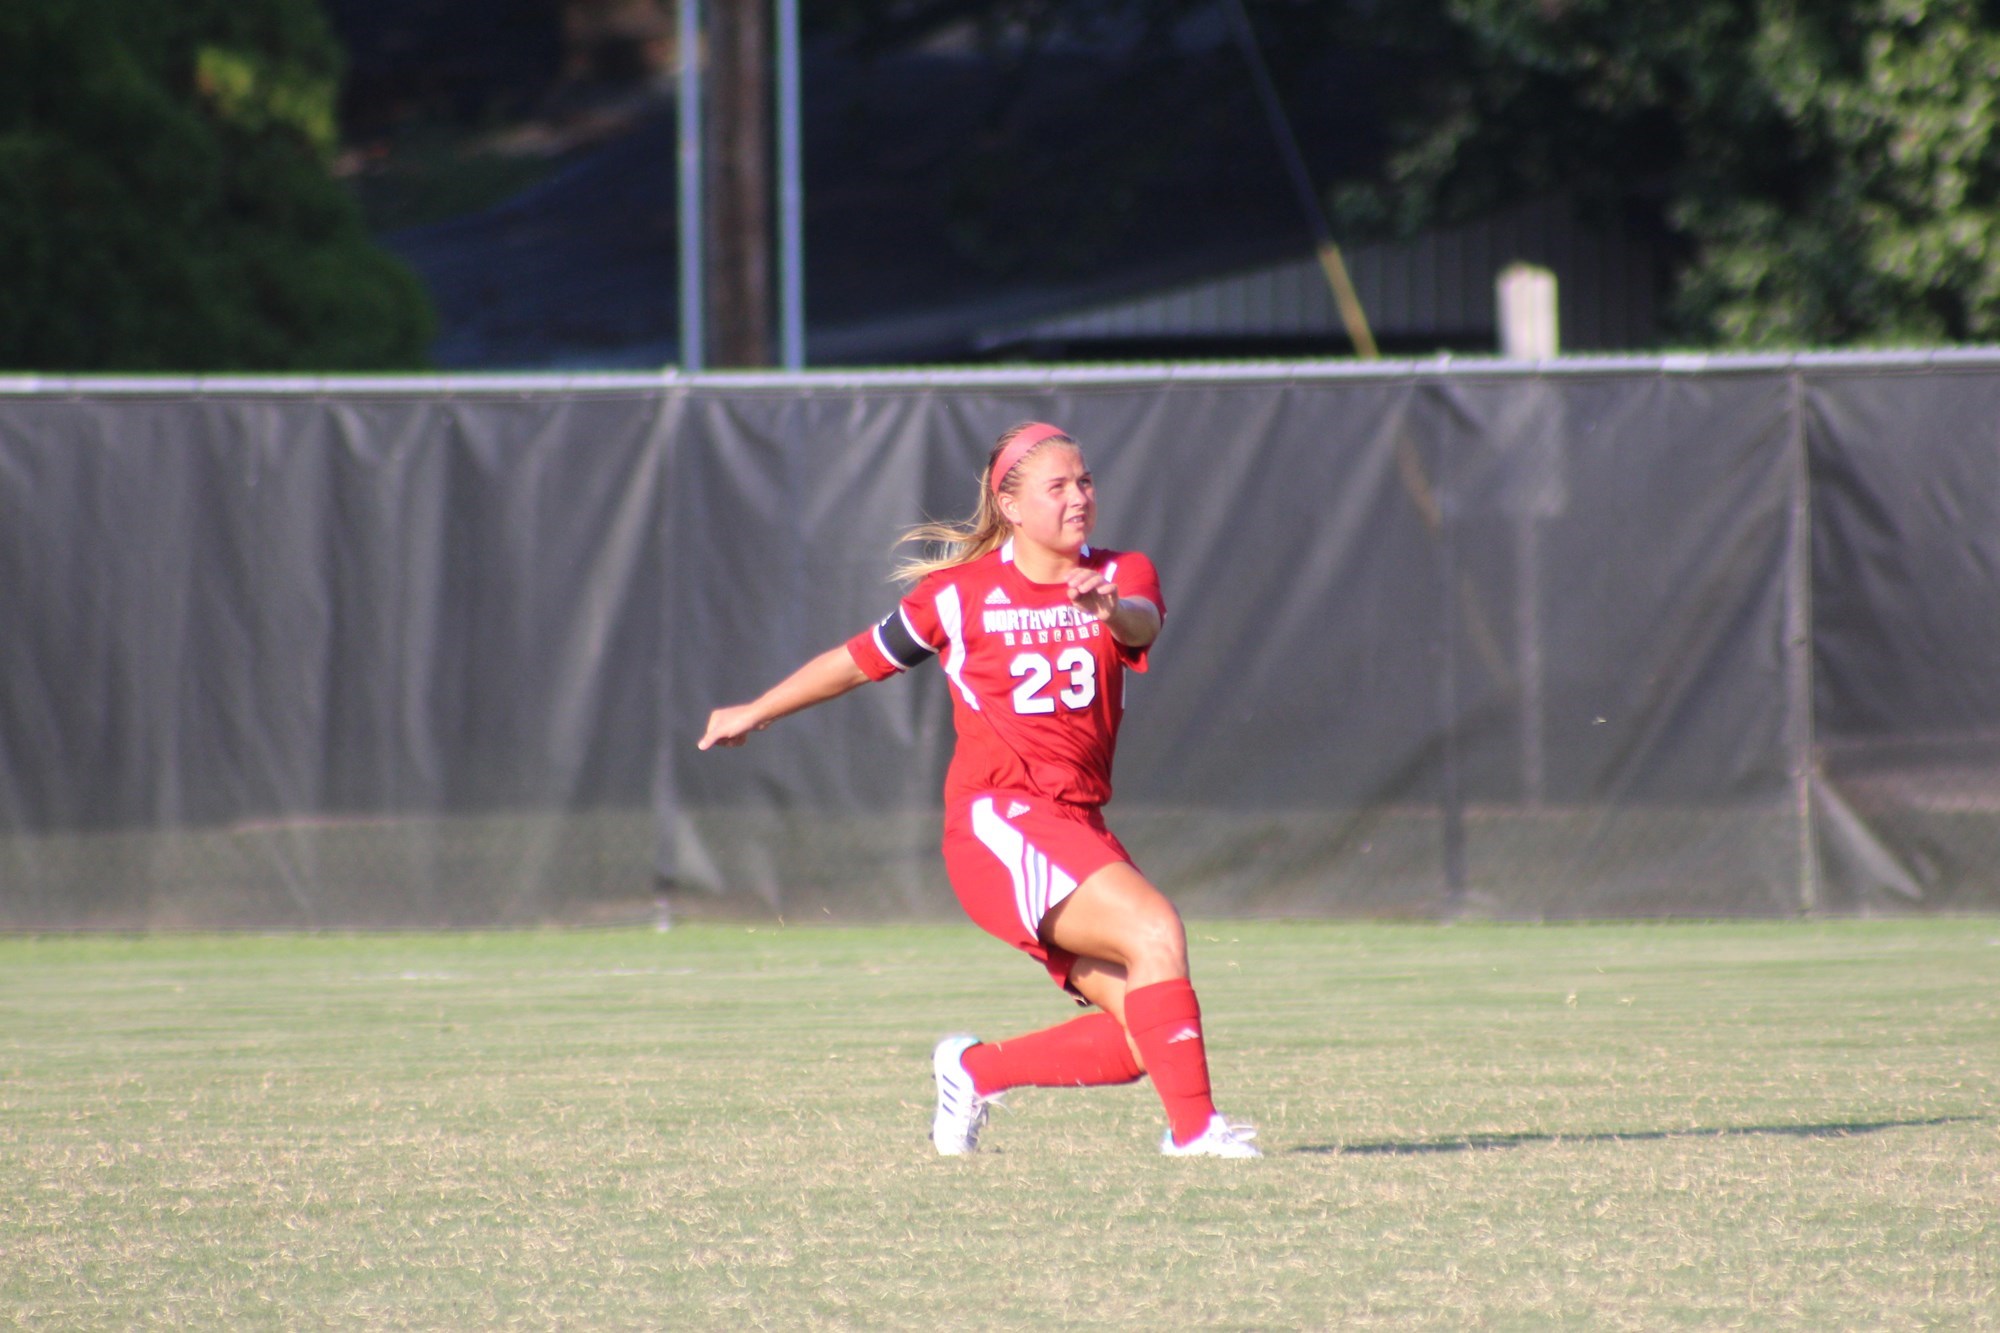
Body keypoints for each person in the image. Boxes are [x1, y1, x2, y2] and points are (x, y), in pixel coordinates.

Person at [698, 421, 1258, 1159]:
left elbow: (1142, 620)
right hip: (999, 821)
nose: (1079, 497)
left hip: (1077, 825)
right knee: (1155, 930)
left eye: (1084, 480)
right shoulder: (959, 595)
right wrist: (756, 710)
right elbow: (858, 660)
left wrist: (1108, 607)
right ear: (1012, 506)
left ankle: (975, 1069)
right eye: (1056, 486)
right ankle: (1197, 1135)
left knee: (1146, 1037)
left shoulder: (1122, 571)